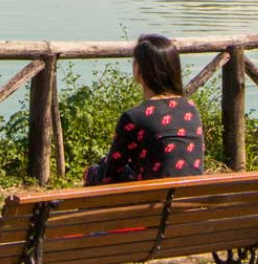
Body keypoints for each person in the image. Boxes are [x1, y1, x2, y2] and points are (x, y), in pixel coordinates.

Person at [83, 34, 204, 186]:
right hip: (190, 200)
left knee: (96, 174)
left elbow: (109, 175)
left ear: (140, 69)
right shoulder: (191, 109)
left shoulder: (135, 118)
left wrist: (89, 172)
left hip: (153, 204)